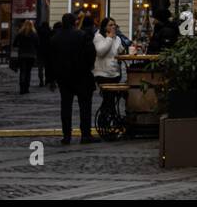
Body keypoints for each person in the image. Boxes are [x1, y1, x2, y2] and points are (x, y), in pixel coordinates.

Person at [50, 12, 97, 144]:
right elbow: (91, 53)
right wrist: (88, 67)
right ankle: (85, 134)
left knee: (65, 106)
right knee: (85, 106)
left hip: (64, 77)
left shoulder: (55, 38)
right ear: (74, 22)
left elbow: (51, 59)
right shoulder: (82, 35)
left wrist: (52, 78)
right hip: (82, 75)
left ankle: (66, 135)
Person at [94, 19, 128, 88]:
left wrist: (124, 50)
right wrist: (109, 38)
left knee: (112, 97)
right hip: (103, 74)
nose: (113, 27)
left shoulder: (117, 38)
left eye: (114, 25)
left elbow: (120, 51)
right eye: (110, 25)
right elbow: (100, 52)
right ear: (104, 27)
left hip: (115, 73)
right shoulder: (98, 37)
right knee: (108, 97)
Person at [12, 21, 39, 94]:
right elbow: (37, 45)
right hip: (31, 55)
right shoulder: (34, 34)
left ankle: (22, 88)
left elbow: (14, 44)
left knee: (22, 71)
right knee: (28, 72)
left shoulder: (20, 34)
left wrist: (21, 46)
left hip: (22, 55)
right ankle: (27, 88)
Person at [36, 21, 52, 88]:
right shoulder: (49, 32)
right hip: (48, 52)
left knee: (40, 68)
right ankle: (47, 81)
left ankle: (41, 81)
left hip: (40, 52)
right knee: (47, 68)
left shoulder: (38, 31)